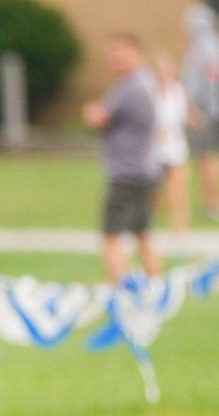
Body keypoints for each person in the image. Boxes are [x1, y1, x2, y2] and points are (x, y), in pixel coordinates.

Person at [83, 33, 163, 285]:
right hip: (147, 169)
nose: (115, 58)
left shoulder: (130, 86)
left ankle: (119, 290)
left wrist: (90, 111)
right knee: (143, 232)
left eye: (121, 52)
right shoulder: (146, 81)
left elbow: (100, 118)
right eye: (112, 53)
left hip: (127, 172)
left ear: (137, 53)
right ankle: (155, 286)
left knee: (111, 236)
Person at [181, 3, 219, 219]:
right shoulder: (216, 44)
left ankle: (212, 202)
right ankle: (210, 202)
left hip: (203, 111)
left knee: (206, 157)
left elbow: (206, 82)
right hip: (213, 109)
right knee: (206, 157)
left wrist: (196, 110)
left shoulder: (203, 46)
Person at [154, 51, 192, 252]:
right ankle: (146, 232)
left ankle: (179, 234)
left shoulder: (177, 91)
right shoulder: (150, 92)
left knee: (177, 192)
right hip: (153, 151)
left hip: (174, 148)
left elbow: (182, 117)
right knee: (153, 194)